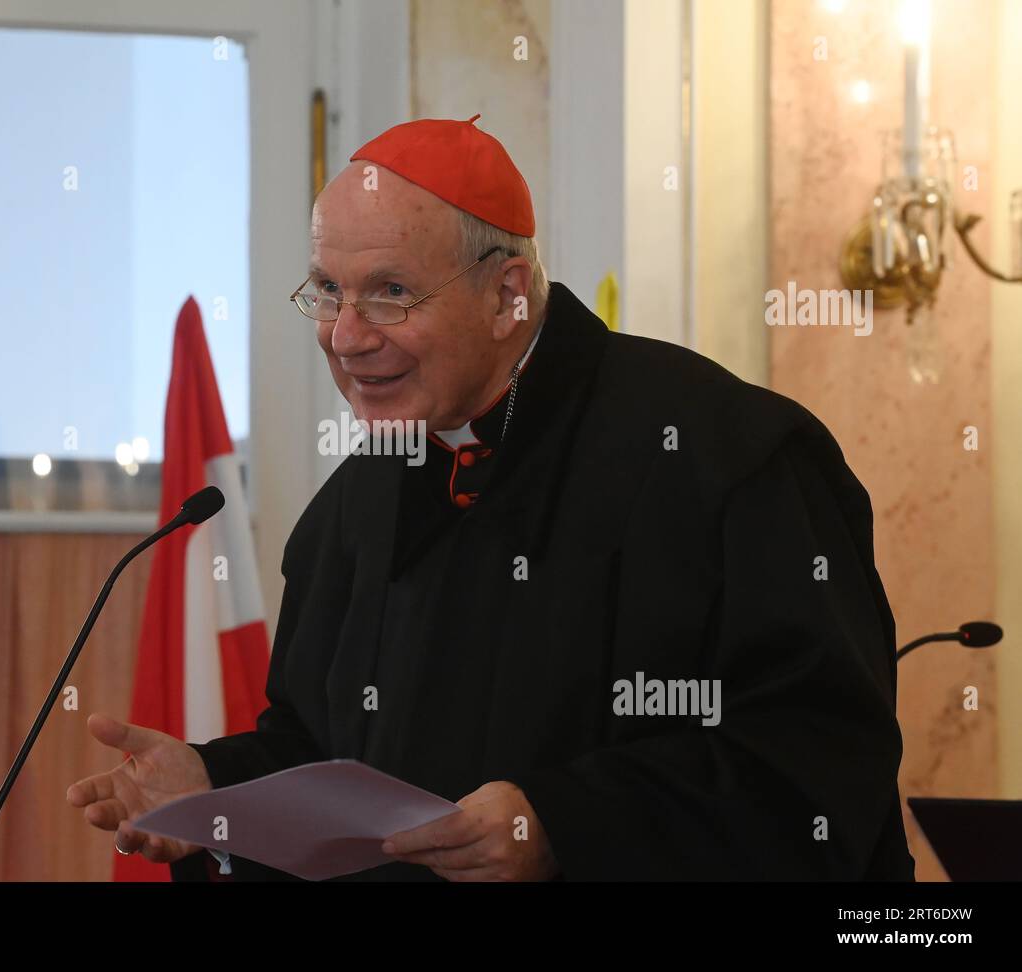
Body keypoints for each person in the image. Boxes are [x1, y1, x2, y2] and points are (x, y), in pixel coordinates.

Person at [67, 115, 914, 881]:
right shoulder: (354, 506)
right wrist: (215, 791)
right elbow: (324, 755)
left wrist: (562, 827)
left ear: (508, 293)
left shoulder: (726, 456)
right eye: (327, 290)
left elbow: (817, 757)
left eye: (390, 292)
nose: (345, 336)